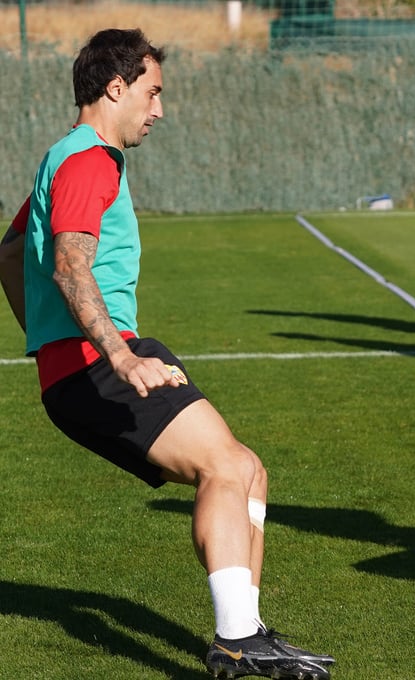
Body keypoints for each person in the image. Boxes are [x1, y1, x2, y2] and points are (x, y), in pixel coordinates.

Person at [0, 29, 334, 679]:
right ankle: (236, 640)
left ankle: (250, 630)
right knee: (226, 469)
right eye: (152, 94)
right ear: (114, 88)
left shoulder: (66, 158)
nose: (159, 110)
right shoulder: (88, 159)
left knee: (247, 471)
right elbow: (69, 267)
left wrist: (42, 340)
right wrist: (118, 359)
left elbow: (11, 255)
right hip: (101, 362)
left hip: (79, 363)